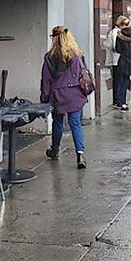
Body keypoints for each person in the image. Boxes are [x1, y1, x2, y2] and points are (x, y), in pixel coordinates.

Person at [40, 26, 89, 169]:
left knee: (58, 123)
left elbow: (46, 80)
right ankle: (80, 155)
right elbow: (84, 72)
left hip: (58, 95)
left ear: (54, 38)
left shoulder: (50, 56)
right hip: (75, 94)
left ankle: (55, 150)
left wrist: (44, 99)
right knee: (76, 124)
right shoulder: (77, 54)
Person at [103, 15, 130, 108]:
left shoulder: (118, 32)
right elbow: (114, 46)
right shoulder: (115, 32)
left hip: (118, 59)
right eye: (124, 24)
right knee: (118, 80)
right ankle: (118, 100)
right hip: (116, 60)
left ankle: (119, 100)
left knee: (120, 80)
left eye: (127, 24)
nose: (125, 26)